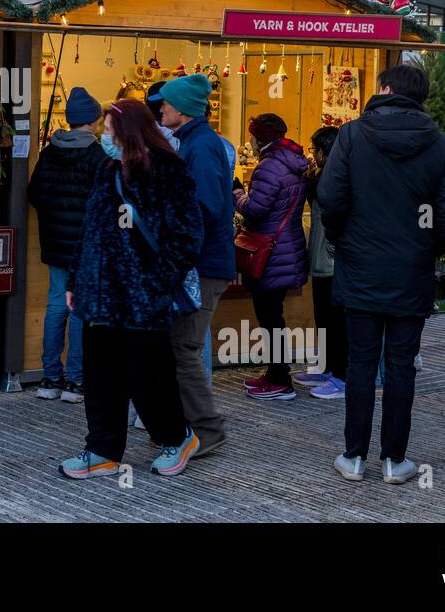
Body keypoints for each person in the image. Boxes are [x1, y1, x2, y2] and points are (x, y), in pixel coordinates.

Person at [318, 63, 445, 484]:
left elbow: (330, 198)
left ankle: (354, 456)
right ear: (421, 97)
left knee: (361, 362)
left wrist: (345, 239)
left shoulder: (351, 136)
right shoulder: (440, 145)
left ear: (383, 90)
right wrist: (425, 245)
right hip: (411, 270)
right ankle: (394, 460)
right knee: (402, 366)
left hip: (360, 268)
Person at [59, 99, 202, 479]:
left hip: (142, 297)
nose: (104, 136)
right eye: (104, 129)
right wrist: (77, 280)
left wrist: (156, 281)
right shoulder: (107, 170)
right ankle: (102, 449)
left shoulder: (167, 170)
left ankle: (177, 437)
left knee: (148, 375)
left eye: (109, 131)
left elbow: (186, 235)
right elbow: (90, 231)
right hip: (101, 293)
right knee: (101, 375)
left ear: (129, 133)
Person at [149, 72, 235, 455]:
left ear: (182, 109)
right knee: (176, 346)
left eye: (165, 102)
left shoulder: (200, 147)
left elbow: (206, 206)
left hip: (202, 265)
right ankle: (185, 426)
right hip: (197, 262)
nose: (160, 108)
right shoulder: (194, 141)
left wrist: (170, 228)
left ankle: (207, 429)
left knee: (183, 347)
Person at [28, 87, 106, 403]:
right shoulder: (96, 155)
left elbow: (34, 194)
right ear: (92, 121)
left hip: (54, 241)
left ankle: (50, 378)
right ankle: (75, 381)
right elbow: (104, 201)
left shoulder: (50, 151)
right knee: (78, 309)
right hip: (84, 245)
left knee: (56, 302)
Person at [235, 113, 309, 400]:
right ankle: (276, 373)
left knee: (270, 318)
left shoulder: (268, 167)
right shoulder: (293, 162)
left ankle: (280, 379)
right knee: (273, 315)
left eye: (252, 136)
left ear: (260, 138)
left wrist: (237, 194)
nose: (249, 142)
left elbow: (255, 209)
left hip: (270, 252)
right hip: (286, 247)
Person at [294, 125, 346, 399]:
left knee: (334, 319)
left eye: (316, 150)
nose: (313, 155)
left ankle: (340, 375)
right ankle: (327, 368)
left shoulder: (337, 177)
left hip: (332, 258)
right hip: (322, 255)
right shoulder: (324, 174)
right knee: (324, 317)